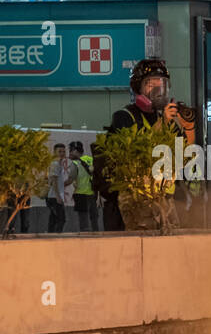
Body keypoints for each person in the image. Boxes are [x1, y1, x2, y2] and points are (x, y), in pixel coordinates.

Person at [94, 57, 187, 231]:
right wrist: (163, 125)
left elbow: (182, 155)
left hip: (163, 197)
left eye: (162, 84)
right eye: (151, 84)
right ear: (138, 87)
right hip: (136, 198)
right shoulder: (124, 116)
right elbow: (138, 150)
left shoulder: (167, 119)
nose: (158, 89)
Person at [68, 141, 99, 233]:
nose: (69, 153)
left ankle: (85, 238)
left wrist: (61, 185)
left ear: (75, 151)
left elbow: (71, 178)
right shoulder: (91, 159)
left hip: (80, 194)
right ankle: (96, 235)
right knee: (94, 218)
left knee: (83, 220)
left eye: (70, 151)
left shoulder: (75, 163)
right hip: (92, 194)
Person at [45, 143, 72, 233]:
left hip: (55, 196)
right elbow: (54, 180)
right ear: (54, 152)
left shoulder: (59, 164)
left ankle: (51, 236)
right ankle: (56, 237)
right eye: (59, 151)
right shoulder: (55, 164)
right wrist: (58, 196)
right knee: (61, 219)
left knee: (53, 219)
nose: (62, 153)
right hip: (54, 197)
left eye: (64, 151)